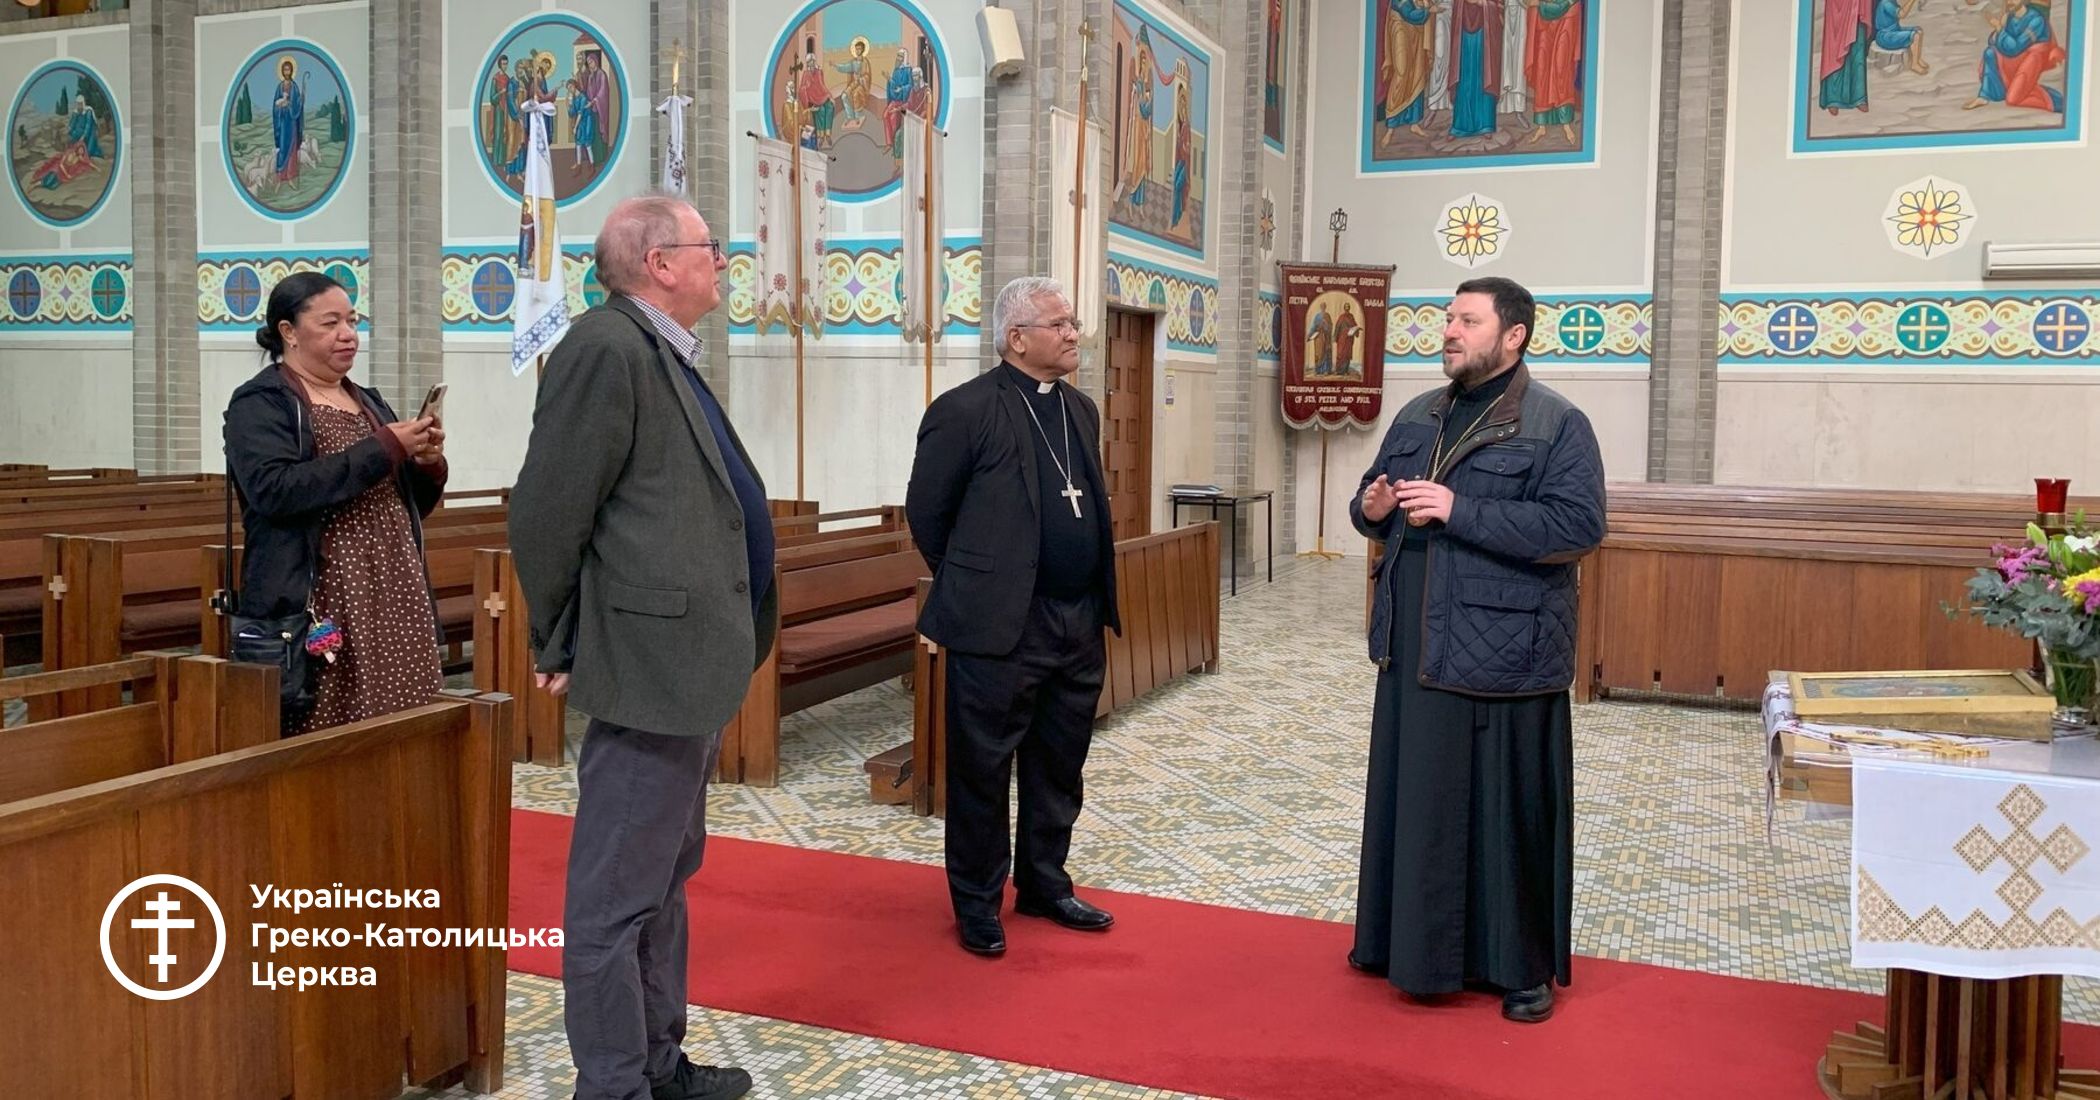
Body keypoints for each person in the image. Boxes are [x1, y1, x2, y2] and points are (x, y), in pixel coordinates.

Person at [509, 193, 772, 1100]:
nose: (720, 261)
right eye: (709, 246)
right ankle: (614, 1085)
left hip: (686, 668)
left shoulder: (661, 348)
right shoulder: (606, 346)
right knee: (614, 900)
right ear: (660, 263)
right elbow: (548, 508)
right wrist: (558, 633)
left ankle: (659, 1065)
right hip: (647, 668)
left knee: (661, 883)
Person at [1346, 275, 1605, 1024]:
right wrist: (1371, 509)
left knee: (1504, 815)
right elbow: (1373, 499)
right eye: (1448, 318)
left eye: (1467, 320)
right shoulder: (1417, 413)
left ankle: (1518, 969)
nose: (1450, 331)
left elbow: (1576, 528)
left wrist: (1462, 509)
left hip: (1506, 656)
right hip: (1416, 646)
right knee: (1418, 803)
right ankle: (1405, 949)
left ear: (1513, 335)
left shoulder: (1557, 422)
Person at [905, 276, 1122, 958]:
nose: (1073, 333)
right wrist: (980, 585)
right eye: (1059, 324)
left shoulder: (1081, 409)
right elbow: (927, 513)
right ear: (1017, 338)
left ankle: (1044, 884)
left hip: (1077, 620)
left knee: (1060, 764)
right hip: (1000, 626)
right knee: (982, 770)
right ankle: (977, 902)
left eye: (1072, 322)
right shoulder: (964, 410)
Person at [222, 271, 446, 736]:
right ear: (289, 331)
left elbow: (403, 505)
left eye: (352, 321)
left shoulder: (368, 402)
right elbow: (274, 491)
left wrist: (426, 464)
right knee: (332, 727)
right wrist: (383, 448)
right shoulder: (262, 402)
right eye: (330, 323)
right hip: (321, 595)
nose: (348, 334)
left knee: (403, 725)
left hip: (393, 588)